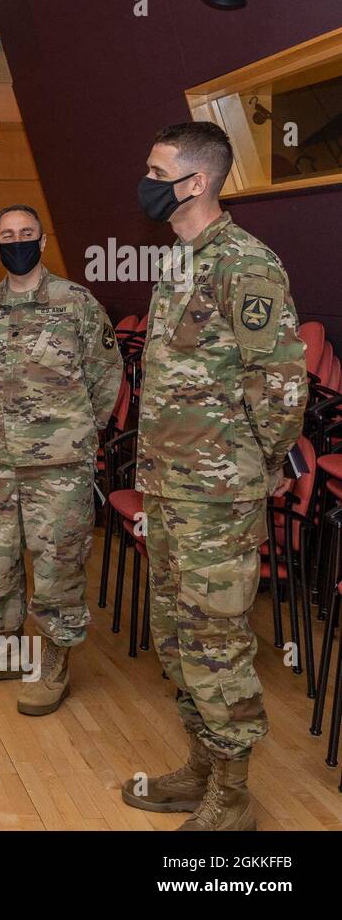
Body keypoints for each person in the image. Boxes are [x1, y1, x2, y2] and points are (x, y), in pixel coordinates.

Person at [122, 122, 306, 830]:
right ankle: (200, 768)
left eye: (155, 167)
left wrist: (259, 468)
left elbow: (282, 384)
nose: (143, 179)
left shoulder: (246, 265)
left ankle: (232, 798)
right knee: (175, 636)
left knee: (216, 644)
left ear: (195, 182)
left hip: (218, 497)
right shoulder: (180, 260)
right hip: (170, 488)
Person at [0, 204, 122, 714]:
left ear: (43, 241)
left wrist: (76, 431)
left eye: (27, 233)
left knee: (58, 561)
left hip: (59, 463)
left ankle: (55, 662)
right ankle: (5, 649)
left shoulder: (77, 303)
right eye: (7, 234)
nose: (17, 240)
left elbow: (106, 372)